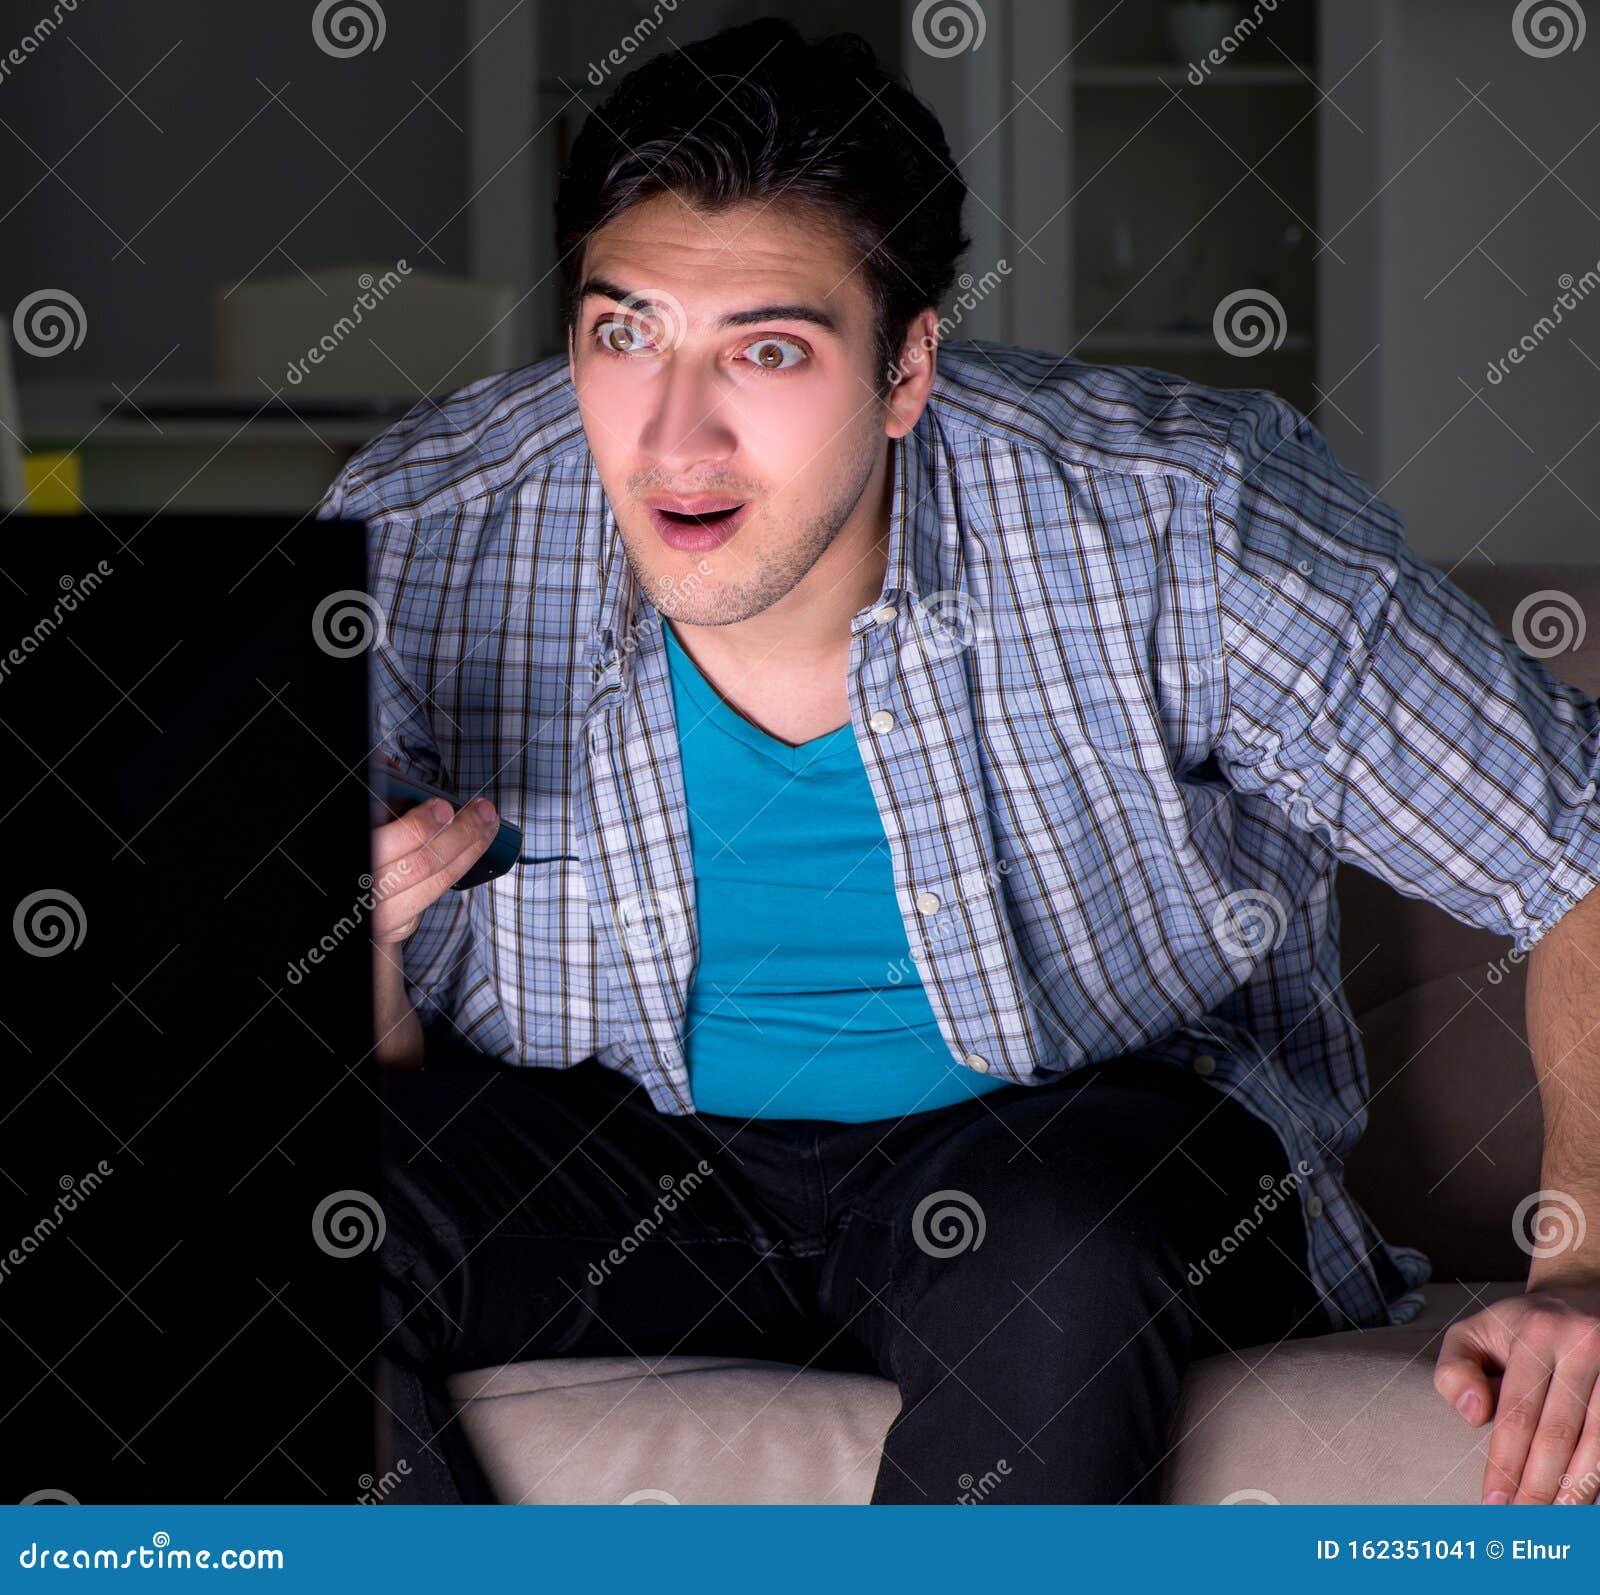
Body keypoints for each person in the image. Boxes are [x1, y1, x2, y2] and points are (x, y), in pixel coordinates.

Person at [317, 18, 1600, 1506]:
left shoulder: (1180, 516)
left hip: (1062, 1144)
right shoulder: (420, 527)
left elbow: (1576, 845)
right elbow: (371, 1073)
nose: (677, 434)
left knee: (1046, 1247)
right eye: (626, 334)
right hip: (623, 1165)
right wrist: (364, 938)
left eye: (770, 351)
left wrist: (1588, 1260)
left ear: (908, 364)